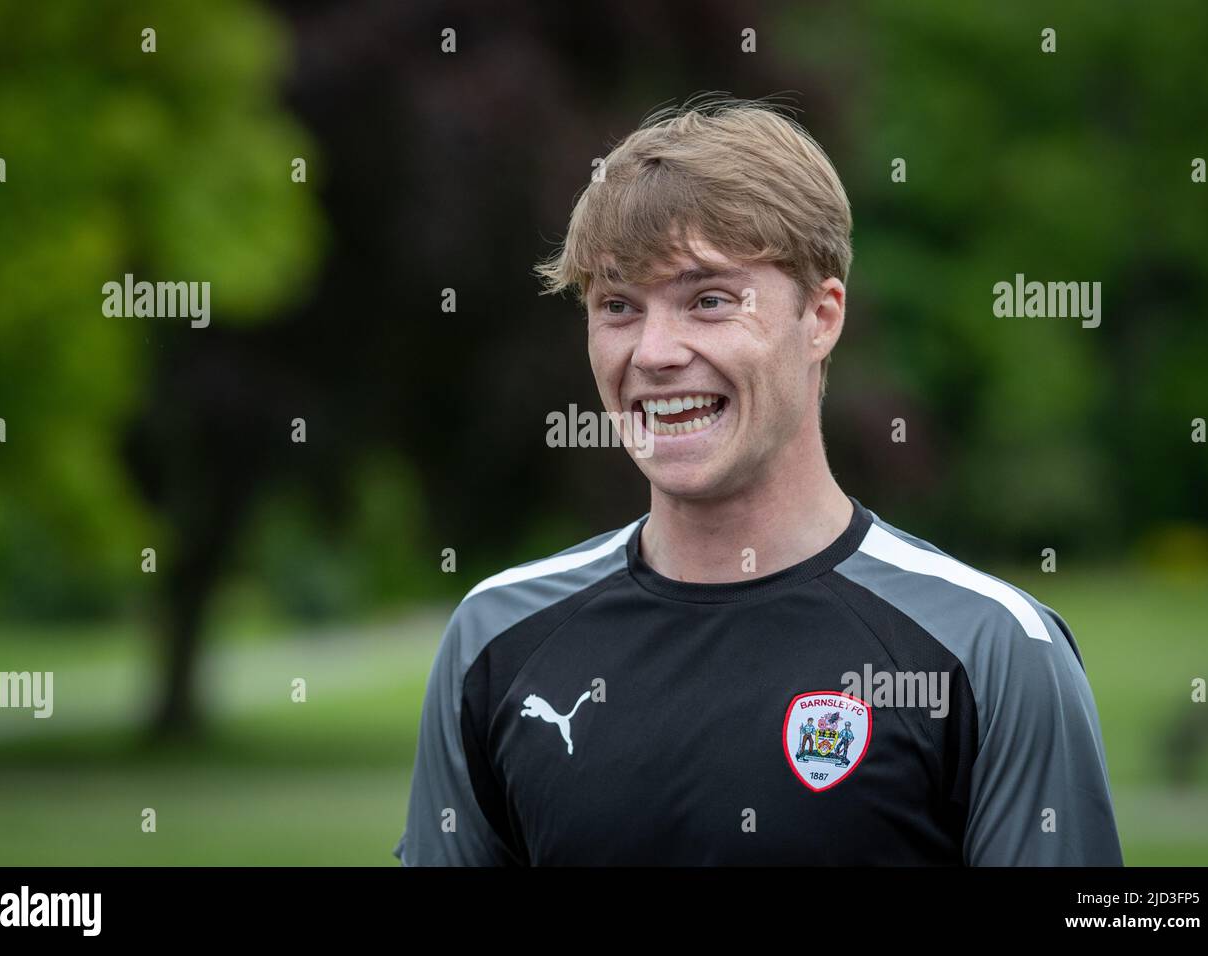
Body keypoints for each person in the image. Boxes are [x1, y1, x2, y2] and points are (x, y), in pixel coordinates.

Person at [394, 94, 1124, 866]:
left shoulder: (990, 650)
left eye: (707, 300)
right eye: (617, 306)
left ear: (822, 316)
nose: (653, 352)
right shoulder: (495, 639)